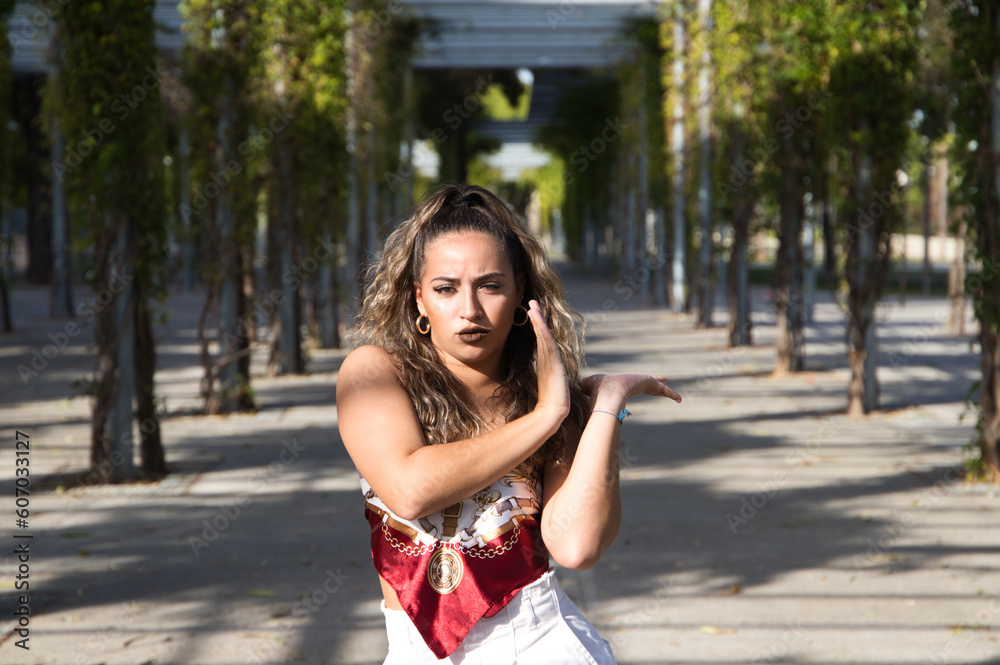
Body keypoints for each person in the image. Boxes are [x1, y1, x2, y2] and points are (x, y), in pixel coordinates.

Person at [337, 183, 681, 663]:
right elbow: (409, 488)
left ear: (520, 291)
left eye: (491, 285)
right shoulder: (375, 372)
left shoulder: (547, 397)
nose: (470, 310)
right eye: (445, 288)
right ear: (418, 299)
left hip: (542, 642)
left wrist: (606, 405)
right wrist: (546, 416)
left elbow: (577, 546)